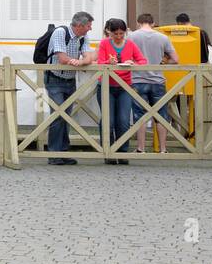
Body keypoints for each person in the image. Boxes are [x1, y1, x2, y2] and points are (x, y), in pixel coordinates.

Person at [45, 11, 94, 165]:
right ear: (79, 25)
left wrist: (82, 61)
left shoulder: (83, 36)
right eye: (88, 26)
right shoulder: (60, 32)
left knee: (66, 116)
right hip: (54, 79)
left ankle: (63, 152)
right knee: (58, 115)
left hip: (70, 80)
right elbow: (62, 58)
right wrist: (79, 62)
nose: (90, 29)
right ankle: (54, 154)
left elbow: (88, 56)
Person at [96, 18, 147, 164]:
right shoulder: (104, 43)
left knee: (124, 120)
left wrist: (133, 63)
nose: (118, 37)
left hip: (125, 86)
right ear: (109, 33)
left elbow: (143, 61)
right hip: (106, 85)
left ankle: (122, 151)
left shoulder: (130, 44)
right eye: (115, 34)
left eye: (121, 33)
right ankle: (108, 151)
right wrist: (108, 62)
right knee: (108, 120)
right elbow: (100, 63)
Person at [128, 13, 178, 153]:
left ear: (138, 23)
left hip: (138, 80)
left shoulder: (132, 36)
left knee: (140, 116)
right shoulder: (163, 37)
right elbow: (176, 59)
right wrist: (165, 61)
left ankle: (140, 149)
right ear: (153, 23)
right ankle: (163, 149)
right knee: (161, 115)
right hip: (158, 80)